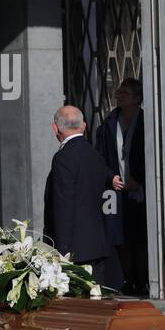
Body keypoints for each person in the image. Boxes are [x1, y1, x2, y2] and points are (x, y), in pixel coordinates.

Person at [43, 105, 123, 290]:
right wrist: (111, 178)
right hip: (97, 245)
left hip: (74, 250)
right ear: (84, 126)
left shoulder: (63, 157)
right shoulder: (94, 154)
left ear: (56, 128)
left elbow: (63, 204)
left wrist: (61, 251)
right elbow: (104, 176)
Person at [94, 78, 148, 295]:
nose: (120, 96)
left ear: (136, 98)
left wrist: (139, 180)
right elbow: (100, 157)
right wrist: (110, 177)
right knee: (119, 236)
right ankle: (127, 279)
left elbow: (152, 154)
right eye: (118, 93)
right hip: (116, 190)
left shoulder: (146, 122)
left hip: (140, 190)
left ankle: (142, 280)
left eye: (125, 93)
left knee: (139, 237)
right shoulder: (109, 123)